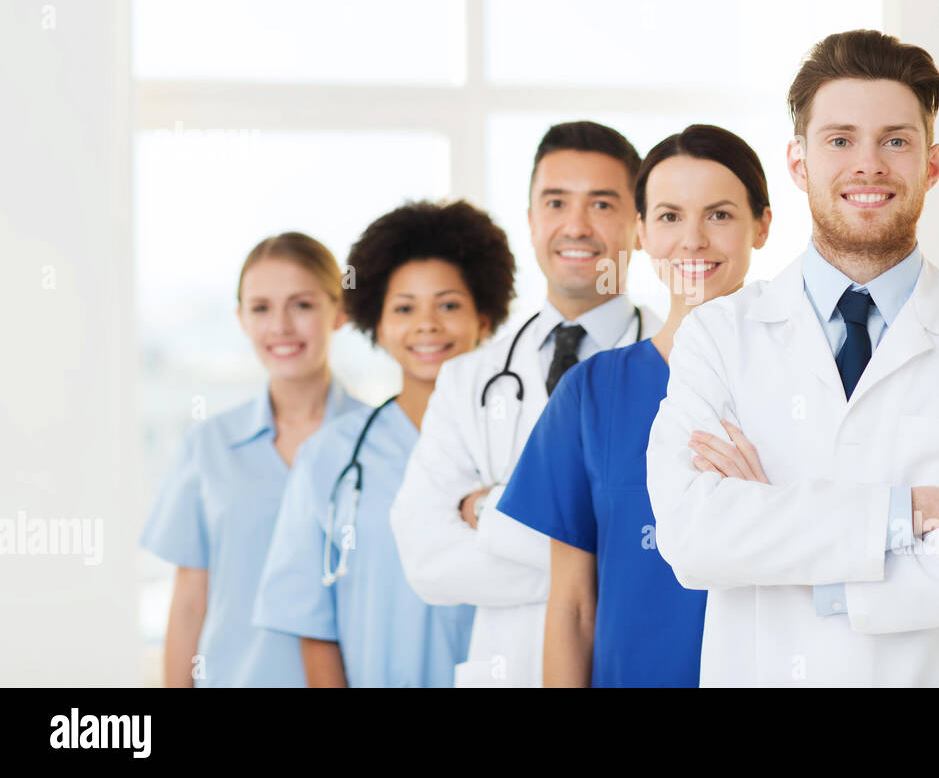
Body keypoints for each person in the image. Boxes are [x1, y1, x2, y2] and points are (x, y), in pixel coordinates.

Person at [646, 29, 939, 687]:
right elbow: (694, 537)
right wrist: (913, 510)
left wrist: (798, 553)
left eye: (895, 140)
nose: (868, 165)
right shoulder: (719, 336)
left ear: (932, 164)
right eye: (841, 139)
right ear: (799, 162)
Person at [496, 125, 771, 687]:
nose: (692, 240)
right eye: (670, 217)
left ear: (762, 225)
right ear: (641, 231)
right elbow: (572, 605)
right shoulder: (591, 394)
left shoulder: (806, 387)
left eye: (719, 215)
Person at [390, 121, 662, 688]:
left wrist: (489, 511)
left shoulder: (680, 366)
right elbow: (427, 560)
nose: (575, 226)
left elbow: (676, 548)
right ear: (532, 218)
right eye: (556, 201)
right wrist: (600, 563)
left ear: (638, 226)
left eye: (602, 203)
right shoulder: (469, 378)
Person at [252, 201, 514, 687]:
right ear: (378, 323)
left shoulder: (522, 447)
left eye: (449, 304)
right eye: (404, 308)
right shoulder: (329, 457)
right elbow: (313, 625)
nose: (427, 324)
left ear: (484, 318)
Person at [140, 233, 366, 687]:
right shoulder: (207, 447)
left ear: (338, 311)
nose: (280, 326)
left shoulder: (377, 440)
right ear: (241, 318)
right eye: (261, 308)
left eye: (301, 305)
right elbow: (189, 603)